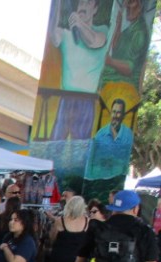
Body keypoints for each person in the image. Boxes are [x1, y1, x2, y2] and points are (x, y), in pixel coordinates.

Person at [50, 0, 110, 141]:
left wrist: (79, 25)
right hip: (65, 99)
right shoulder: (67, 33)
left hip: (86, 101)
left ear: (95, 9)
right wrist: (57, 5)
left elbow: (94, 41)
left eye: (88, 3)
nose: (83, 6)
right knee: (55, 144)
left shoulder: (102, 32)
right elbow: (54, 36)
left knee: (80, 146)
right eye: (81, 3)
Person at [101, 0, 149, 87]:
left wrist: (110, 61)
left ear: (140, 8)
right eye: (126, 4)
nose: (127, 7)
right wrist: (118, 25)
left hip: (124, 84)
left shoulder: (139, 32)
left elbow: (129, 69)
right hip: (114, 77)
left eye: (131, 3)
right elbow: (115, 46)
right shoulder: (130, 29)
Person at [85, 98, 134, 180]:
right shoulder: (100, 134)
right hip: (99, 180)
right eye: (113, 112)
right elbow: (91, 158)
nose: (115, 116)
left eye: (118, 113)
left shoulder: (128, 134)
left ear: (123, 116)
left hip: (117, 181)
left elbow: (126, 160)